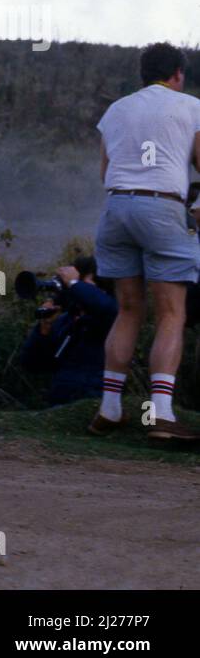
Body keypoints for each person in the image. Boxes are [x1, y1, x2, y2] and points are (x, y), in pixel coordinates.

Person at [93, 42, 200, 441]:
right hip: (162, 207)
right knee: (172, 313)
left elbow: (105, 171)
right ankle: (161, 414)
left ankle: (110, 406)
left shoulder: (116, 110)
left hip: (116, 209)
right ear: (177, 73)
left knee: (128, 310)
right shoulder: (191, 107)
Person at [17, 257, 118, 405]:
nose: (77, 290)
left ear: (103, 289)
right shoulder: (66, 320)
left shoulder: (113, 317)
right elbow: (31, 364)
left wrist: (73, 283)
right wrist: (44, 329)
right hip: (61, 404)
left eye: (83, 285)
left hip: (96, 400)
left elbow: (104, 306)